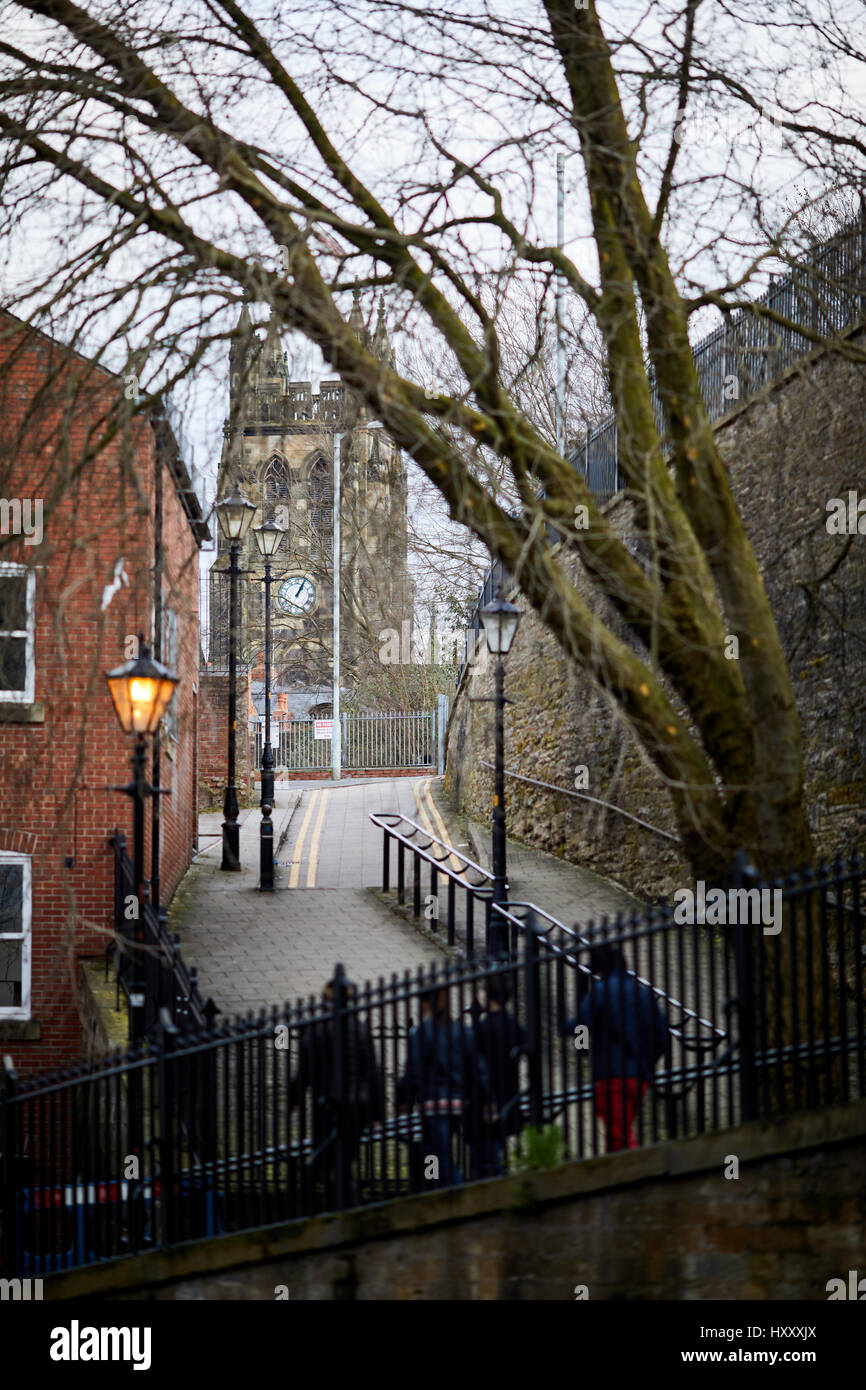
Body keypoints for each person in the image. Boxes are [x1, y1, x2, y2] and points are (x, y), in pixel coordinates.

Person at [287, 970, 385, 1211]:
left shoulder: (317, 1029)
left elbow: (305, 1070)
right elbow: (372, 1072)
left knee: (330, 1161)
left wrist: (295, 1098)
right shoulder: (360, 1029)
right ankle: (345, 1204)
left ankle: (341, 1207)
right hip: (357, 1107)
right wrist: (376, 1113)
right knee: (343, 1158)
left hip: (326, 1105)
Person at [566, 944, 669, 1153]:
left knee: (619, 1135)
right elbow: (662, 1035)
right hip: (640, 1077)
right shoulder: (644, 993)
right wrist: (648, 1061)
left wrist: (582, 1049)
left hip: (611, 1075)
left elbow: (582, 1026)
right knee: (618, 1133)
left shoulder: (599, 991)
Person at [397, 984, 488, 1187]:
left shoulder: (420, 1033)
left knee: (439, 1153)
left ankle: (454, 1190)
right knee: (434, 1152)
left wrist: (403, 1099)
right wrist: (485, 1097)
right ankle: (434, 1185)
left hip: (433, 1104)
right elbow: (477, 1066)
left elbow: (413, 1072)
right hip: (457, 1102)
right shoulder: (461, 1030)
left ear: (426, 1003)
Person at [469, 975, 526, 1178]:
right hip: (509, 1096)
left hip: (487, 1102)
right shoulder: (513, 1024)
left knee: (486, 1159)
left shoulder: (481, 1029)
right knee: (497, 1153)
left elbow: (475, 1067)